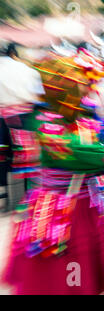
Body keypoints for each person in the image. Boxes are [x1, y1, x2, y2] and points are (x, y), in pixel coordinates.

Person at [1, 48, 104, 294]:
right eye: (78, 87)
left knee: (78, 272)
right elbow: (78, 153)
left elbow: (99, 139)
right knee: (64, 274)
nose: (85, 92)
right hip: (62, 209)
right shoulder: (45, 124)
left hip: (81, 207)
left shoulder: (78, 119)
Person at [0, 41, 44, 211]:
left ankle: (4, 197)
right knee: (27, 157)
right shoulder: (29, 71)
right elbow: (37, 97)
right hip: (24, 118)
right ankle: (29, 198)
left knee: (2, 157)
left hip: (1, 120)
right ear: (14, 53)